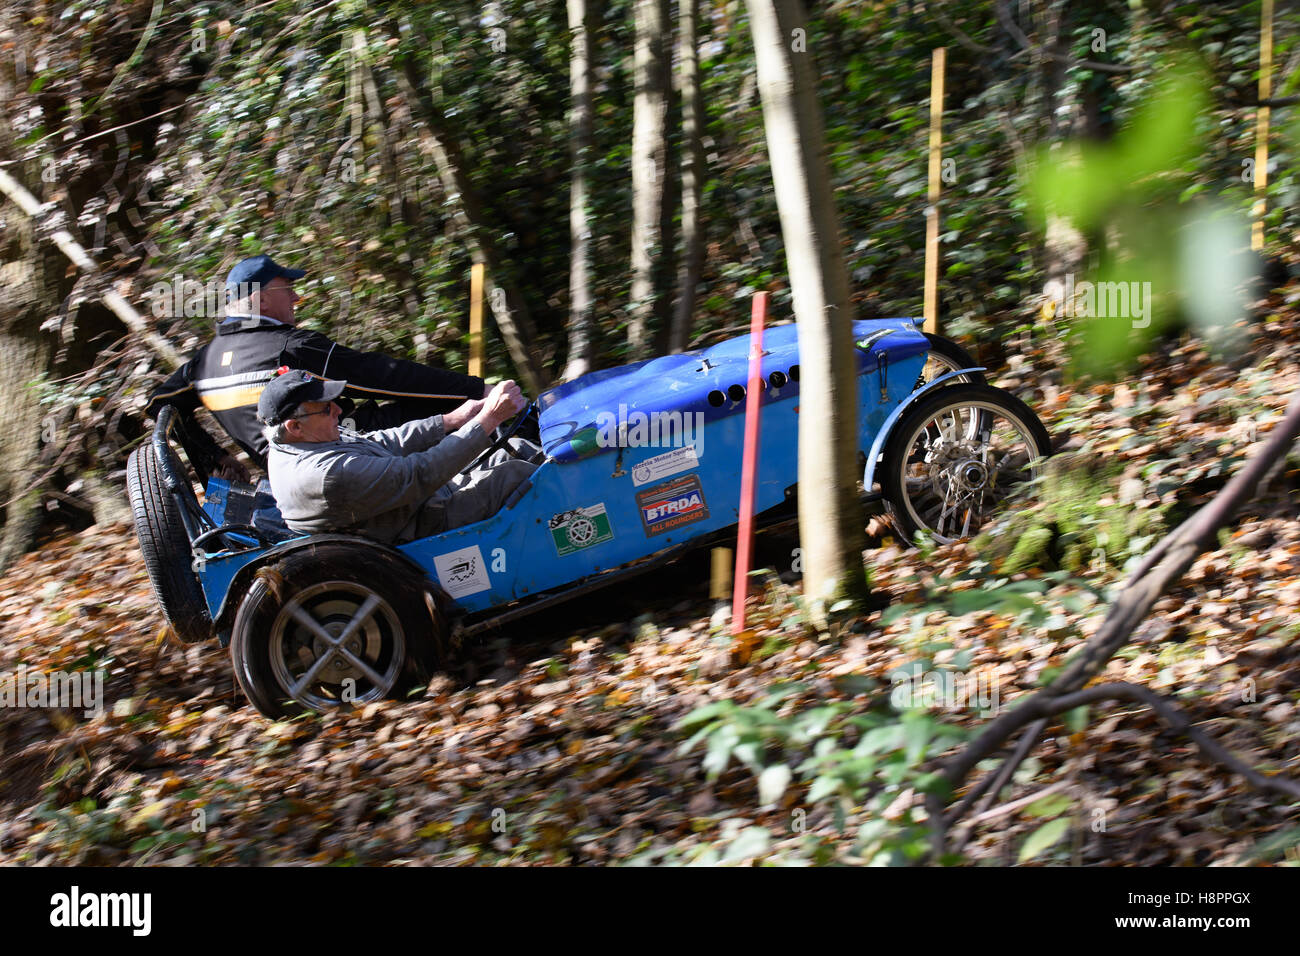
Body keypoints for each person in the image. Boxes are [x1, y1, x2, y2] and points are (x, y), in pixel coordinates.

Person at [146, 254, 485, 479]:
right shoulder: (290, 346)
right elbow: (383, 376)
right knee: (452, 405)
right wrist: (475, 390)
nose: (296, 298)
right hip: (338, 448)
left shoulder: (202, 364)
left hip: (284, 472)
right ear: (260, 298)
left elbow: (158, 402)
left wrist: (212, 457)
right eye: (288, 289)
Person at [259, 369, 541, 544]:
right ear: (293, 426)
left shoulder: (303, 440)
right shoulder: (324, 475)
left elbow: (379, 441)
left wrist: (453, 419)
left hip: (422, 504)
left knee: (515, 448)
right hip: (421, 527)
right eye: (325, 408)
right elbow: (418, 474)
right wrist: (489, 419)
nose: (338, 410)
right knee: (516, 475)